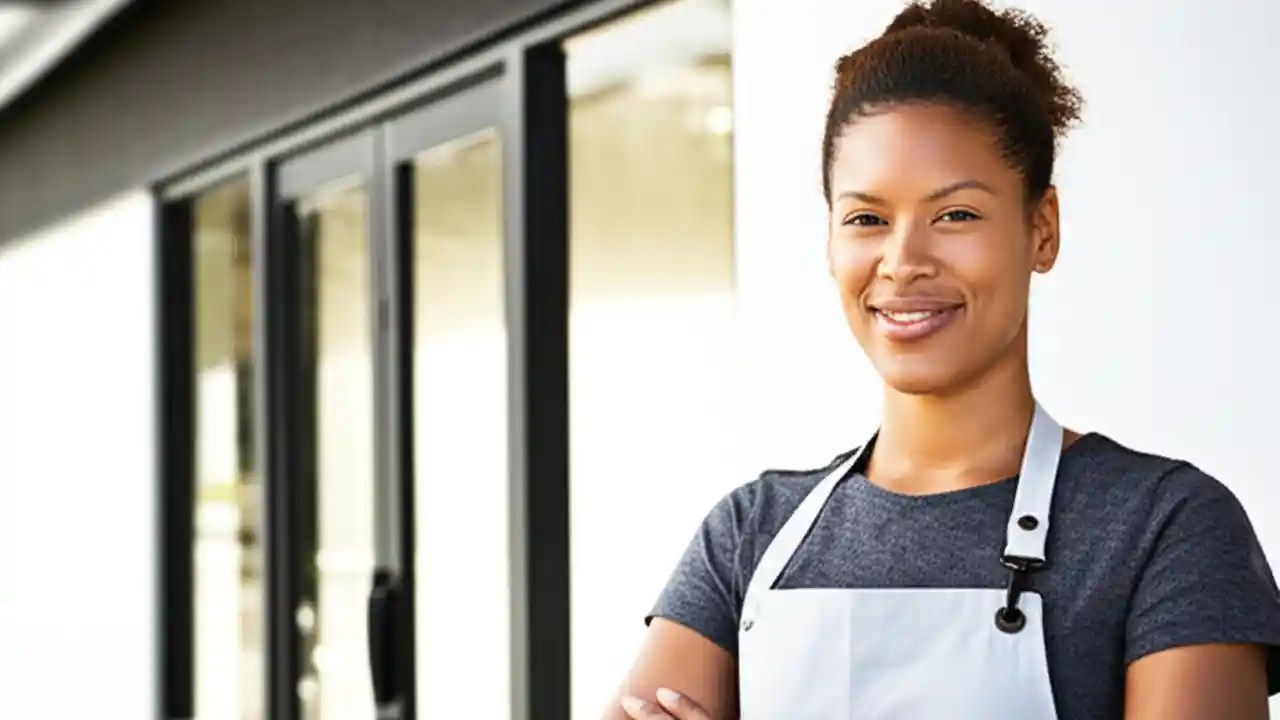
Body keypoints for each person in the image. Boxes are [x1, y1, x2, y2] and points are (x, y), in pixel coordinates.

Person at [604, 0, 1280, 718]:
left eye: (955, 215)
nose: (903, 262)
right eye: (866, 219)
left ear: (1040, 229)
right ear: (830, 241)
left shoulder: (1162, 529)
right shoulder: (747, 536)